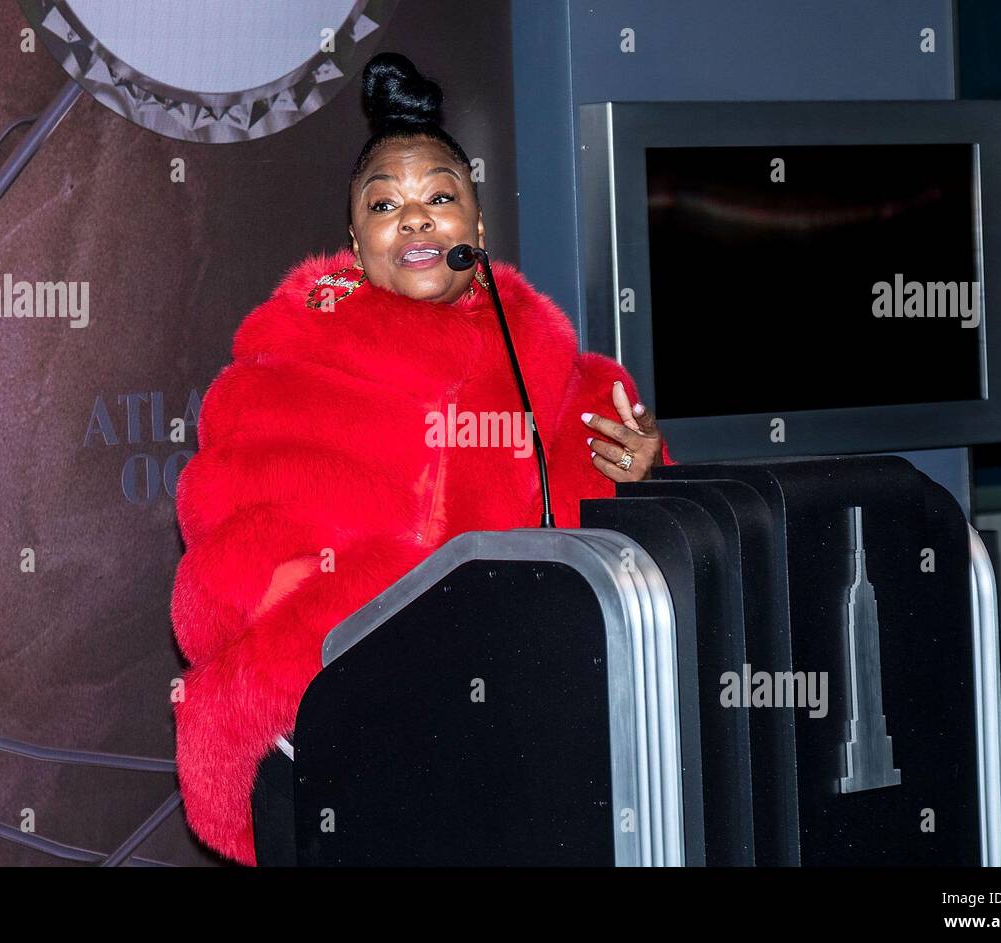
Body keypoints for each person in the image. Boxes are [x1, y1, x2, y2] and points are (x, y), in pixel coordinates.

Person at [169, 52, 675, 865]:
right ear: (356, 240)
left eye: (441, 197)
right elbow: (224, 581)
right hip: (340, 749)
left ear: (478, 230)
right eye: (386, 205)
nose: (415, 220)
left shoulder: (575, 387)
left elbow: (640, 580)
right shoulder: (281, 375)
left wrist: (644, 480)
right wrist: (371, 618)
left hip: (532, 759)